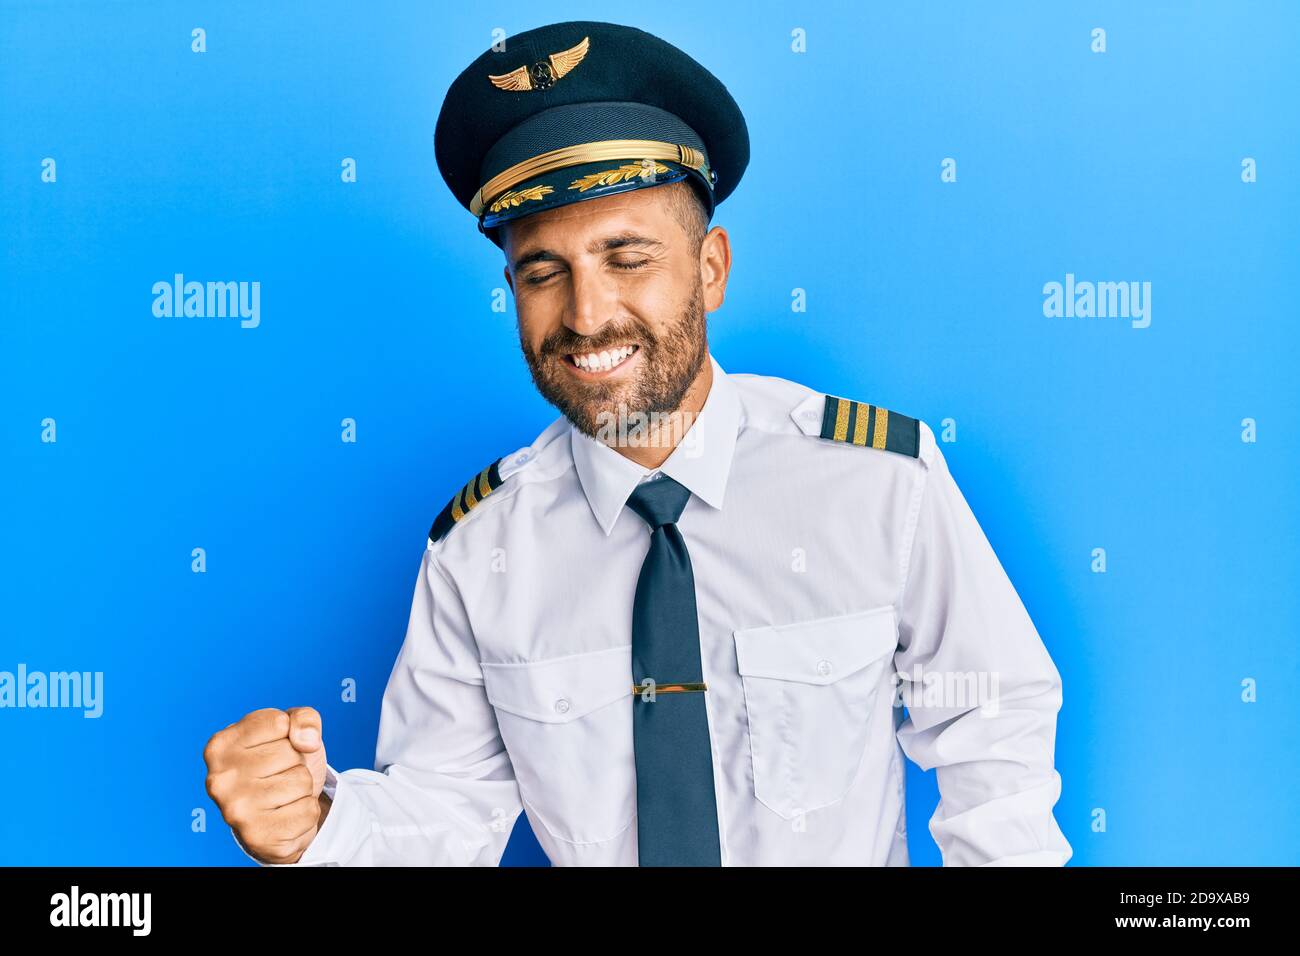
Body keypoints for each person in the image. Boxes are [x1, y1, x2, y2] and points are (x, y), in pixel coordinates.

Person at [203, 19, 1073, 867]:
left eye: (627, 258)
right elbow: (444, 806)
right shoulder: (477, 551)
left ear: (711, 268)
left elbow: (994, 735)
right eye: (545, 273)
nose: (586, 317)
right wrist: (316, 825)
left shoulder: (880, 481)